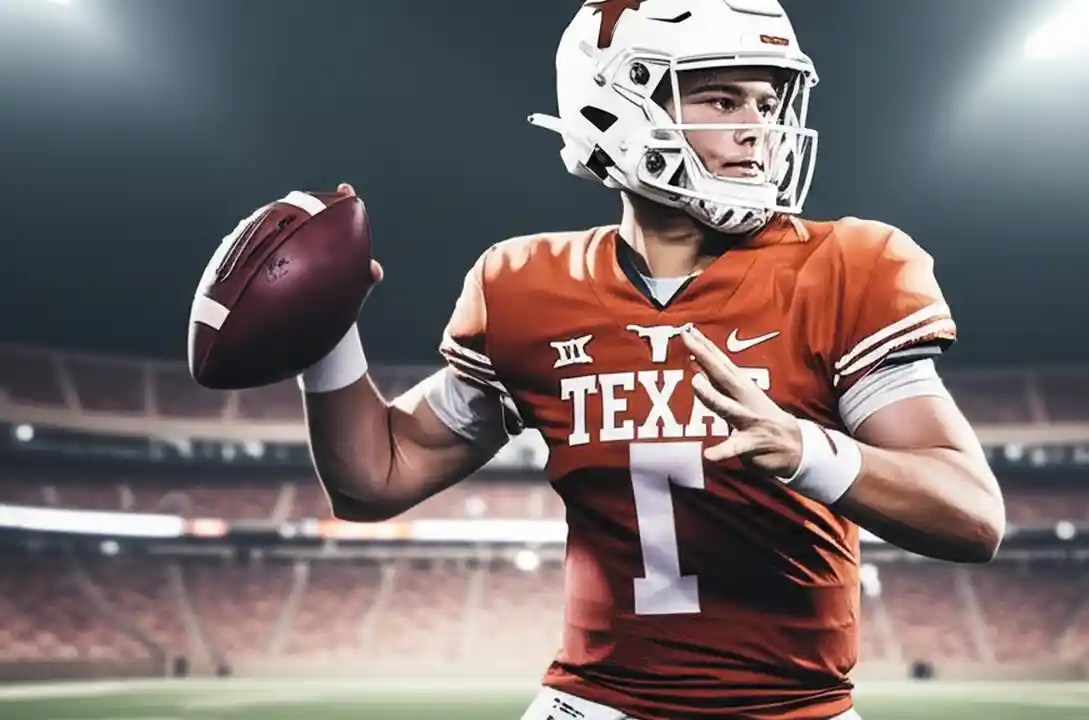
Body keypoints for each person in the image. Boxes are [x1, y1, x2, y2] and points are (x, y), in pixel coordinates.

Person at [298, 1, 1005, 718]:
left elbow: (971, 516)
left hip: (796, 708)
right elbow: (375, 480)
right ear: (615, 105)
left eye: (767, 102)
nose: (758, 127)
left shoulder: (846, 267)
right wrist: (323, 329)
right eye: (722, 100)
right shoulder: (526, 286)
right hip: (595, 702)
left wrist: (806, 450)